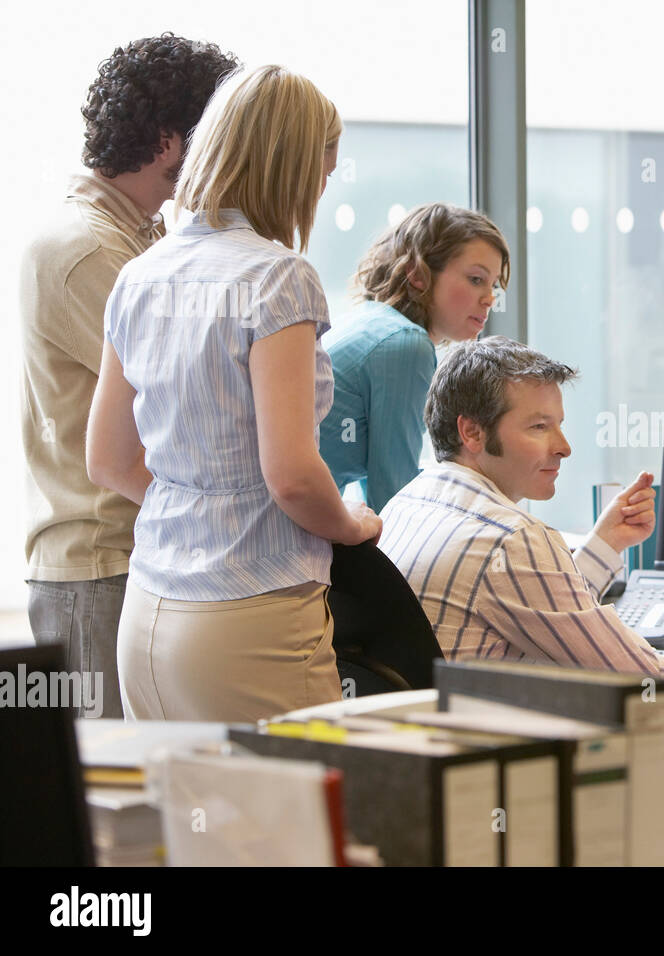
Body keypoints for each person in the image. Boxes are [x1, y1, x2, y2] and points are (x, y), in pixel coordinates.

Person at [87, 66, 381, 722]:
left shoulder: (140, 276)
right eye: (323, 170)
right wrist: (350, 525)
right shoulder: (279, 277)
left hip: (148, 618)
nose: (323, 188)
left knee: (186, 823)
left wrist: (202, 508)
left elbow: (107, 460)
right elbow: (293, 477)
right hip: (249, 618)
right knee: (304, 820)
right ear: (294, 167)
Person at [20, 35, 238, 719]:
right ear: (176, 141)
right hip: (99, 565)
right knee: (111, 797)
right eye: (221, 137)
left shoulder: (135, 236)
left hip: (124, 558)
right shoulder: (88, 249)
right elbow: (186, 399)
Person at [378, 336, 664, 681]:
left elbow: (541, 607)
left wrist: (605, 542)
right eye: (539, 426)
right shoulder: (513, 539)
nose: (564, 447)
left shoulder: (403, 503)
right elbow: (643, 678)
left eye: (559, 425)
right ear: (472, 432)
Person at [320, 203, 510, 513]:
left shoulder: (374, 321)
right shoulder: (406, 345)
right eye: (476, 279)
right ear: (417, 274)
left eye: (494, 285)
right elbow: (393, 497)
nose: (490, 298)